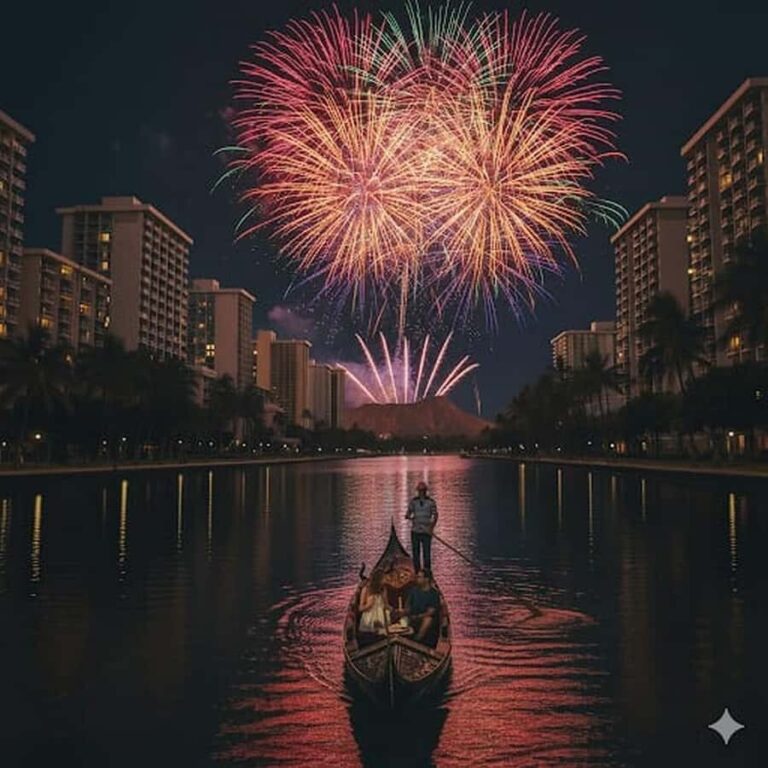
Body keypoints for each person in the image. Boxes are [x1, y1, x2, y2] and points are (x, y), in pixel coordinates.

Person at [405, 481, 438, 573]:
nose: (421, 492)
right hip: (415, 531)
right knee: (416, 554)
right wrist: (408, 516)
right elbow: (408, 513)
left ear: (425, 491)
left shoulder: (431, 502)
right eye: (420, 491)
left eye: (423, 490)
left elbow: (435, 516)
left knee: (426, 554)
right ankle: (417, 572)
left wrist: (431, 528)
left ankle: (427, 572)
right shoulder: (413, 502)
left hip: (426, 532)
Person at [404, 569, 440, 644]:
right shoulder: (414, 590)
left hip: (424, 618)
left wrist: (418, 616)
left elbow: (430, 612)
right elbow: (408, 605)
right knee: (403, 618)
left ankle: (417, 640)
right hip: (412, 616)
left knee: (428, 619)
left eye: (419, 577)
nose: (417, 579)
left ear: (426, 579)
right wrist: (405, 611)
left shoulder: (433, 594)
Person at [358, 569, 391, 635]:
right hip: (369, 620)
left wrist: (394, 610)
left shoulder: (383, 589)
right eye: (384, 578)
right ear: (378, 579)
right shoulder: (366, 589)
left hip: (382, 618)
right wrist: (368, 605)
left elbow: (386, 605)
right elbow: (360, 608)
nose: (386, 580)